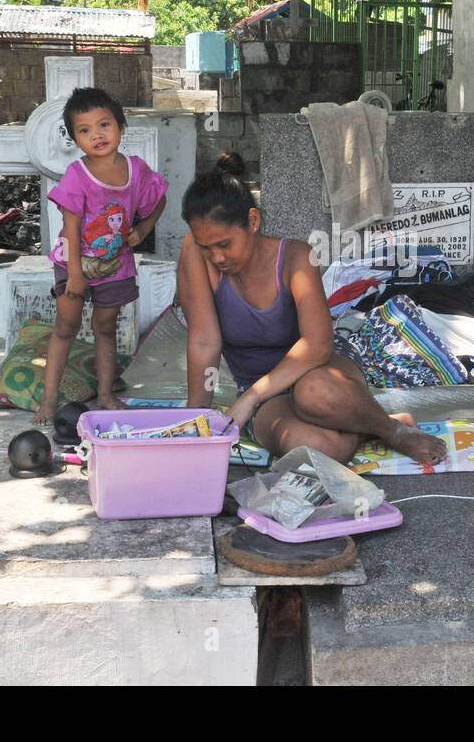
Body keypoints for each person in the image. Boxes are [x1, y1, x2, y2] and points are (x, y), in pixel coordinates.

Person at [176, 151, 447, 465]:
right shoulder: (194, 253)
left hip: (321, 373)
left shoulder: (297, 258)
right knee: (317, 448)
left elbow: (317, 346)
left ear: (253, 221)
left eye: (224, 245)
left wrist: (250, 398)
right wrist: (195, 424)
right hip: (267, 395)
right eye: (205, 247)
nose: (216, 257)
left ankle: (392, 430)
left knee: (314, 392)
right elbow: (204, 341)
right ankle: (360, 423)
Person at [35, 87, 168, 424]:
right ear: (75, 139)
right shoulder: (78, 175)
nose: (97, 135)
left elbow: (160, 197)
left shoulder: (137, 171)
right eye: (84, 130)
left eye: (104, 125)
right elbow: (71, 223)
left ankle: (107, 394)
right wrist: (76, 275)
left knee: (105, 326)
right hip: (74, 260)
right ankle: (48, 402)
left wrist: (145, 228)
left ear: (121, 126)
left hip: (116, 264)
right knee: (66, 326)